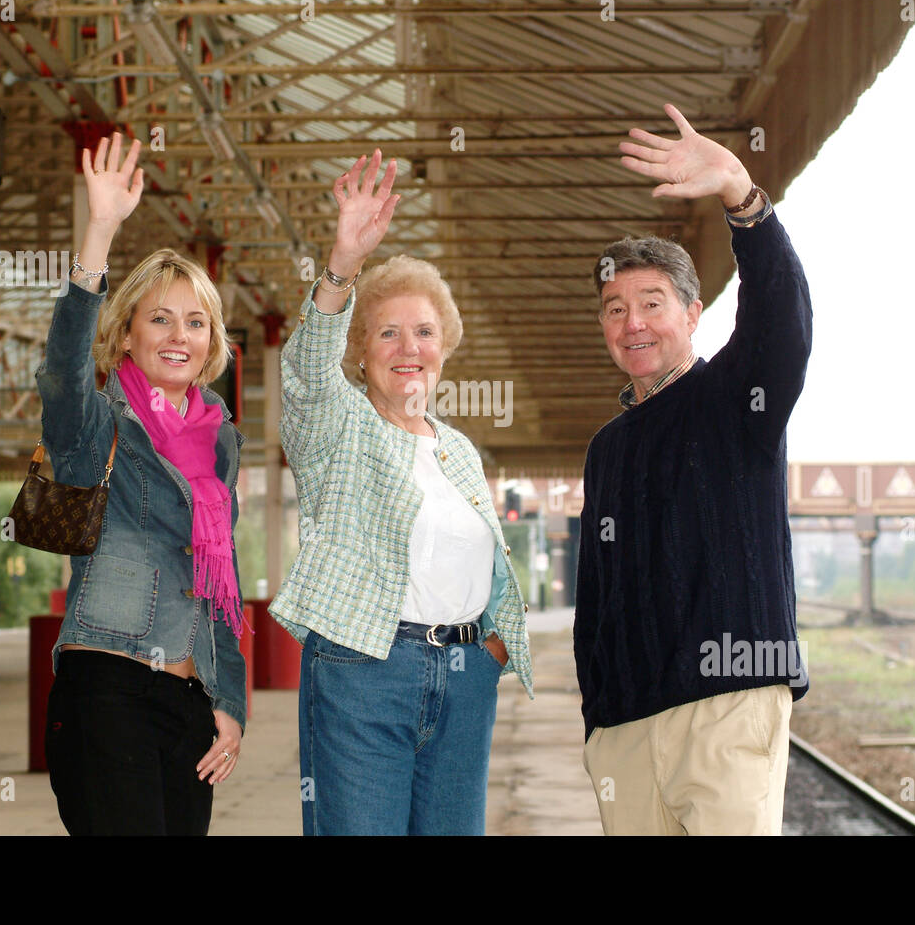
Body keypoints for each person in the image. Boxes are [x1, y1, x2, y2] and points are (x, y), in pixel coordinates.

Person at [269, 149, 534, 835]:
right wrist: (343, 261)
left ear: (443, 348)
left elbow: (485, 560)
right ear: (361, 351)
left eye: (423, 332)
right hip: (365, 673)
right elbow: (303, 375)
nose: (407, 346)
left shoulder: (460, 450)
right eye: (387, 332)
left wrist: (489, 655)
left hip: (464, 680)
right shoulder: (340, 426)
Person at [573, 105, 813, 835]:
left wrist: (742, 196)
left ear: (693, 313)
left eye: (652, 303)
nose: (633, 323)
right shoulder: (606, 448)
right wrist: (596, 720)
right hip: (626, 730)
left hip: (727, 703)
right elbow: (597, 594)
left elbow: (782, 318)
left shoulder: (739, 397)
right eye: (615, 309)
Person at [37, 132, 248, 835]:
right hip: (108, 691)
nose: (178, 334)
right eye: (159, 317)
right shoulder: (99, 427)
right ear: (126, 334)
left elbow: (223, 586)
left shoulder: (219, 444)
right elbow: (62, 372)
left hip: (188, 704)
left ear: (211, 343)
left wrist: (229, 703)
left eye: (195, 321)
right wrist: (98, 235)